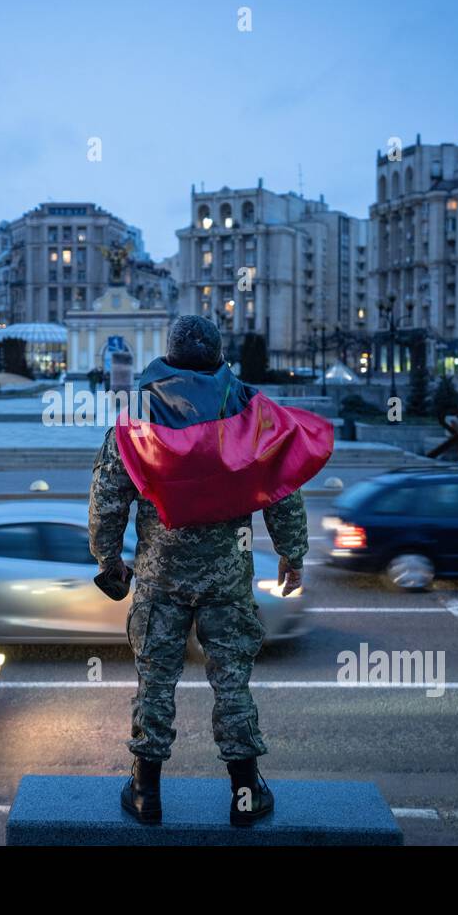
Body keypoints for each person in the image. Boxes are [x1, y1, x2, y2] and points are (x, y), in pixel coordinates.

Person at [88, 315, 333, 827]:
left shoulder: (137, 413)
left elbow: (109, 496)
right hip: (227, 576)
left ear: (170, 355)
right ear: (218, 353)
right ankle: (246, 793)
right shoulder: (245, 406)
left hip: (160, 577)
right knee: (232, 683)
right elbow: (281, 482)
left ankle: (144, 793)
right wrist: (292, 553)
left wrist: (108, 560)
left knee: (154, 683)